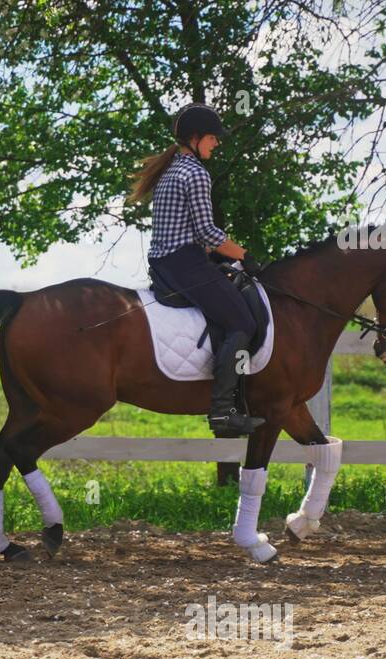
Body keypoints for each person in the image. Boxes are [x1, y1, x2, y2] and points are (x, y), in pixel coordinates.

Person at [127, 103, 265, 436]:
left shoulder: (172, 170)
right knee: (242, 321)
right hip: (184, 264)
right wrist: (246, 255)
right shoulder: (194, 173)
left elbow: (193, 233)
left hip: (166, 263)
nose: (216, 144)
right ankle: (222, 413)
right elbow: (207, 233)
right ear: (195, 137)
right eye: (213, 138)